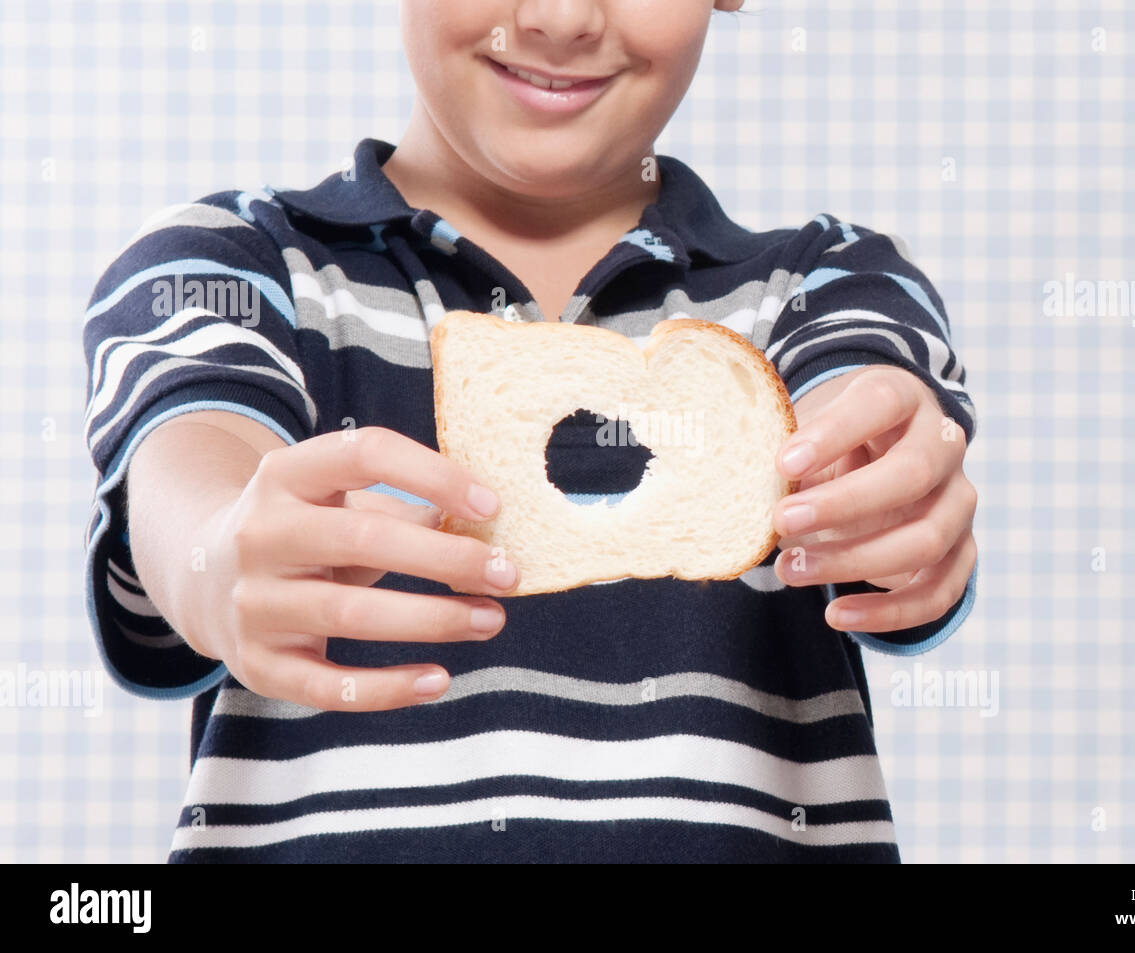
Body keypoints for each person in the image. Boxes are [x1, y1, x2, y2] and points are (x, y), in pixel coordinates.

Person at [81, 0, 978, 862]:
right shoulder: (234, 263)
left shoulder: (826, 283)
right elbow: (190, 459)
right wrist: (213, 550)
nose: (559, 17)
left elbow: (861, 401)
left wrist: (880, 494)